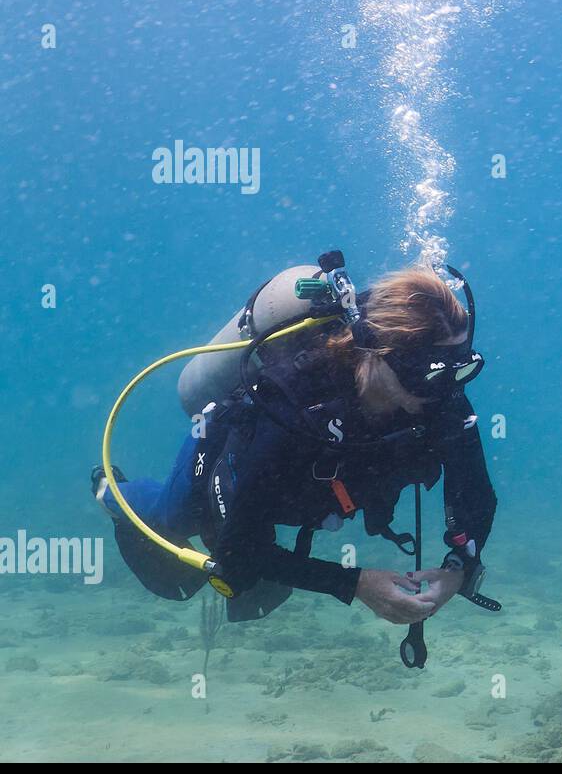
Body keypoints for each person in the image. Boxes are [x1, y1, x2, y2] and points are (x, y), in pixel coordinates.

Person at [93, 263, 497, 628]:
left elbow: (476, 495)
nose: (445, 392)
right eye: (425, 375)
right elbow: (237, 554)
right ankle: (111, 491)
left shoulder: (439, 398)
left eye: (459, 370)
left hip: (313, 493)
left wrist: (456, 571)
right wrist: (355, 584)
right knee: (176, 516)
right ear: (376, 354)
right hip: (231, 454)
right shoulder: (296, 396)